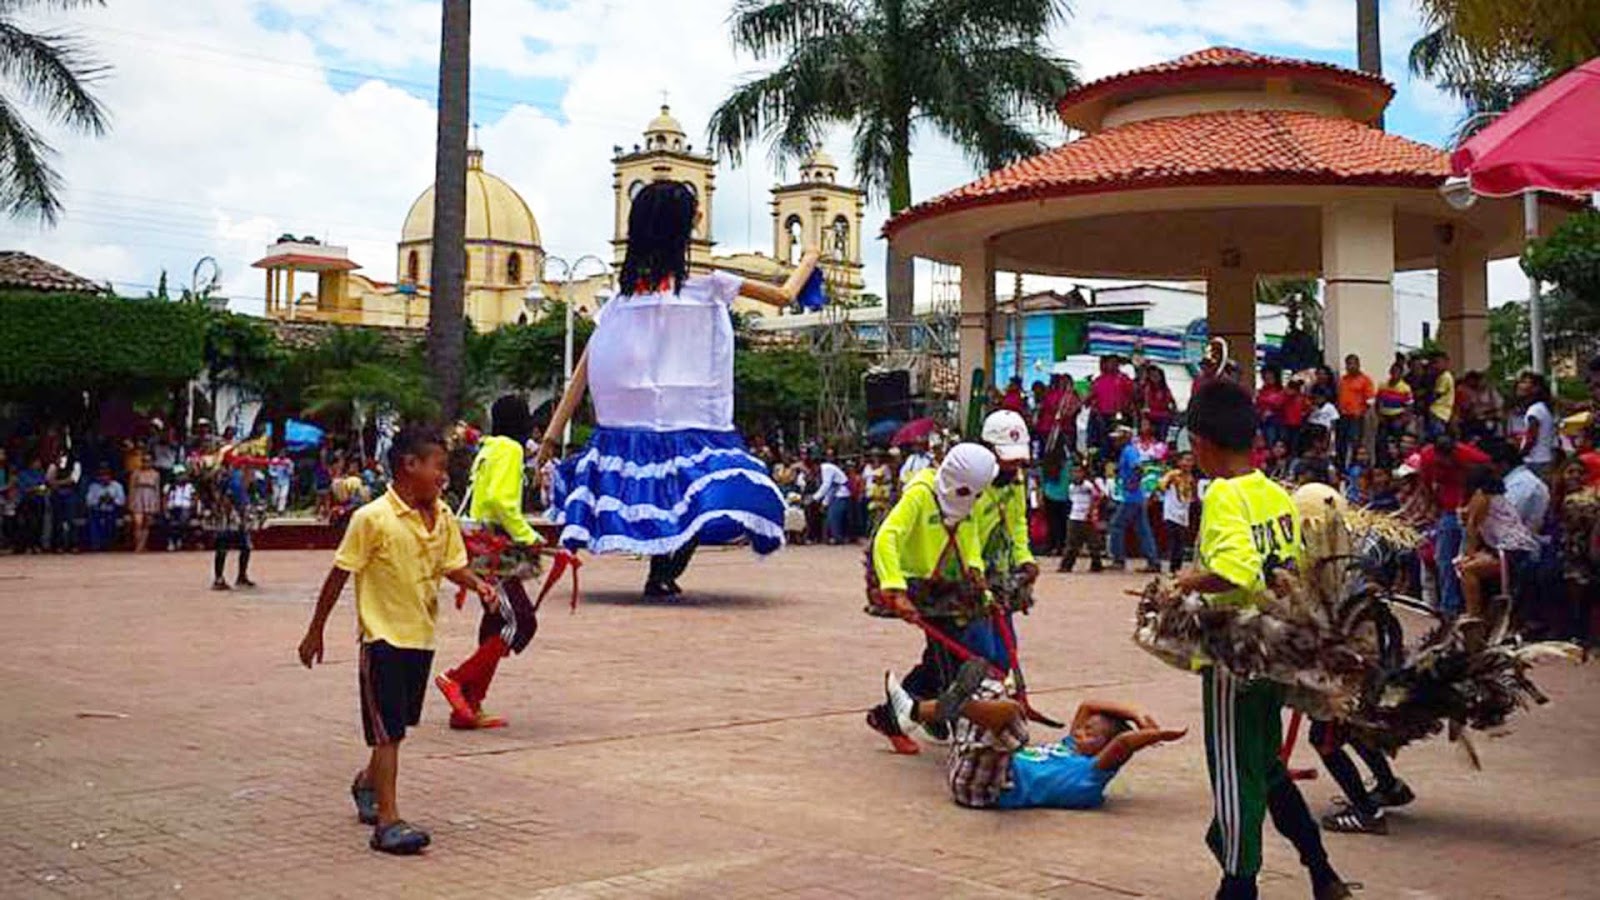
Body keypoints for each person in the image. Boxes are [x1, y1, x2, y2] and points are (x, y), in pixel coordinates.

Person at [540, 182, 818, 594]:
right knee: (690, 498)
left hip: (638, 429)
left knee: (673, 500)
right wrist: (810, 257)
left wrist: (550, 435)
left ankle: (661, 573)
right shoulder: (709, 285)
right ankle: (662, 573)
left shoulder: (620, 303)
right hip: (692, 426)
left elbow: (585, 369)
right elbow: (784, 295)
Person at [1172, 379, 1351, 900]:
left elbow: (1235, 570)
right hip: (1275, 651)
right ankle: (1321, 871)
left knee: (1234, 775)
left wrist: (1187, 581)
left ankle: (1239, 882)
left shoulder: (1223, 494)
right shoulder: (1274, 492)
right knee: (1267, 766)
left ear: (1201, 442)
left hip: (1236, 655)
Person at [297, 425, 492, 855]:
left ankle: (367, 784)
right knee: (387, 734)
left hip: (420, 637)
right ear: (410, 465)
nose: (443, 476)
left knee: (396, 727)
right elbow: (339, 574)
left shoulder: (442, 516)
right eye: (437, 466)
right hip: (382, 638)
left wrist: (478, 584)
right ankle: (388, 821)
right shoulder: (372, 518)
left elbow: (452, 565)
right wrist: (315, 630)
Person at [864, 444, 998, 754]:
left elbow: (970, 537)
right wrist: (895, 589)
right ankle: (915, 716)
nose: (973, 499)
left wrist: (977, 574)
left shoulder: (970, 499)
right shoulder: (920, 494)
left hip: (952, 586)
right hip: (918, 586)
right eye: (966, 493)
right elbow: (886, 537)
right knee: (949, 660)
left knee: (944, 659)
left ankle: (908, 713)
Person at [882, 674, 1184, 810]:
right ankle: (914, 712)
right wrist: (1136, 712)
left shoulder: (1090, 773)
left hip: (989, 791)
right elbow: (1088, 705)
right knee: (993, 690)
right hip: (969, 768)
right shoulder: (1069, 745)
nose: (1080, 733)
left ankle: (957, 704)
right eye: (1083, 729)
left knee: (1011, 713)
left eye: (1091, 735)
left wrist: (1155, 736)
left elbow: (1125, 744)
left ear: (1105, 750)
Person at [436, 395, 545, 731]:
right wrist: (529, 536)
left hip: (477, 539)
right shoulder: (510, 449)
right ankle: (456, 679)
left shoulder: (488, 447)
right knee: (521, 621)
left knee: (496, 622)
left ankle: (469, 705)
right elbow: (500, 501)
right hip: (494, 546)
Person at [1455, 464, 1542, 642]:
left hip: (1510, 548)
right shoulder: (1497, 497)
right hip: (1512, 547)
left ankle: (1473, 614)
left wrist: (1469, 555)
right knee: (1468, 565)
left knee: (1467, 569)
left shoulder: (1481, 496)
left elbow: (1472, 527)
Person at [1416, 435, 1491, 618]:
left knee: (1464, 560)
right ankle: (1449, 607)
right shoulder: (1427, 457)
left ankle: (1468, 608)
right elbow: (1426, 485)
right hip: (1448, 512)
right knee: (1444, 559)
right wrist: (1431, 507)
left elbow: (1488, 469)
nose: (1446, 462)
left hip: (1470, 510)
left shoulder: (1470, 456)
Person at [1107, 426, 1160, 573]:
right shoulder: (1130, 450)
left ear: (1125, 438)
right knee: (1143, 529)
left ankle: (1118, 559)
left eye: (1118, 438)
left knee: (1116, 525)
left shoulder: (1129, 450)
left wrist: (1133, 483)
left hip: (1131, 497)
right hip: (1137, 497)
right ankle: (1153, 561)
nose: (1115, 441)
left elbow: (1138, 468)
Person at [207, 466, 258, 590]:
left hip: (235, 517)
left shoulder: (241, 484)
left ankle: (241, 576)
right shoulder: (235, 482)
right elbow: (226, 499)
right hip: (230, 518)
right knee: (223, 545)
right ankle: (219, 578)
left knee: (245, 547)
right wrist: (235, 515)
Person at [1059, 461, 1105, 573]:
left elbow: (1098, 497)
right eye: (1074, 472)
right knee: (1071, 543)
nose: (1076, 475)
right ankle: (1066, 565)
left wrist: (1091, 511)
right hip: (1074, 517)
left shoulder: (1088, 485)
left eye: (1079, 472)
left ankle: (1096, 565)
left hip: (1087, 518)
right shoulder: (1071, 487)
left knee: (1093, 543)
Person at [1087, 355, 1135, 458]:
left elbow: (1132, 394)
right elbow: (1091, 396)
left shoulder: (1123, 378)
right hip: (1102, 415)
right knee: (1102, 440)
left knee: (1118, 440)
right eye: (1110, 362)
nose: (1113, 365)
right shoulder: (1099, 380)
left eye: (1115, 363)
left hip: (1118, 415)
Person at [1158, 451, 1197, 574]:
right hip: (1171, 512)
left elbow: (1192, 496)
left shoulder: (1191, 478)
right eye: (1185, 460)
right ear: (1179, 462)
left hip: (1183, 513)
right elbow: (1161, 486)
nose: (1187, 463)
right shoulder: (1173, 475)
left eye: (1190, 460)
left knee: (1181, 542)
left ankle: (1177, 568)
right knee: (1174, 540)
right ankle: (1172, 568)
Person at [1335, 354, 1374, 467]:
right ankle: (1341, 466)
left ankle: (1354, 466)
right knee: (1341, 443)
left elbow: (1370, 401)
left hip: (1356, 417)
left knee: (1355, 443)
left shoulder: (1365, 380)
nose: (1350, 366)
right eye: (1348, 364)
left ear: (1358, 365)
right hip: (1343, 416)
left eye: (1353, 364)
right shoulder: (1343, 379)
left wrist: (1361, 412)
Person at [1516, 371, 1557, 477]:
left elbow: (1531, 438)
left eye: (1525, 382)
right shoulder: (1542, 407)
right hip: (1544, 459)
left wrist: (1519, 455)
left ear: (1536, 388)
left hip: (1535, 461)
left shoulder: (1535, 410)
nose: (1520, 385)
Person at [1374, 358, 1413, 469]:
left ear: (1401, 374)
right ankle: (1382, 465)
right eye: (1393, 371)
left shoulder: (1405, 388)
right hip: (1384, 417)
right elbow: (1377, 402)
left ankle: (1397, 465)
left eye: (1397, 372)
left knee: (1397, 443)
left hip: (1398, 417)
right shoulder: (1383, 385)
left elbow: (1409, 406)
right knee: (1381, 442)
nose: (1394, 374)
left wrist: (1402, 420)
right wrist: (1379, 415)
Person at [45, 449, 81, 553]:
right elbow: (49, 479)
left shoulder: (75, 465)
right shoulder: (53, 466)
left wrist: (58, 483)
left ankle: (73, 544)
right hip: (56, 495)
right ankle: (58, 545)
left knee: (71, 520)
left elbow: (73, 480)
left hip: (70, 494)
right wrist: (56, 480)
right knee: (57, 520)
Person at [1039, 445, 1072, 556]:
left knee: (1052, 523)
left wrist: (1041, 493)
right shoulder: (1068, 463)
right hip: (1065, 495)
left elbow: (1043, 480)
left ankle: (1053, 546)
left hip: (1049, 494)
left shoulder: (1048, 463)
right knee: (1063, 524)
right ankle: (1061, 546)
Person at [84, 464, 125, 551]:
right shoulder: (93, 487)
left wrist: (112, 500)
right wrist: (99, 500)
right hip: (97, 511)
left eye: (106, 475)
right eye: (102, 475)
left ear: (110, 476)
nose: (104, 478)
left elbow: (121, 501)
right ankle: (96, 545)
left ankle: (110, 545)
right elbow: (89, 502)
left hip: (112, 511)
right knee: (94, 520)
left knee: (110, 520)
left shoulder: (117, 486)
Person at [127, 454, 162, 552]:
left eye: (148, 461)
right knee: (138, 523)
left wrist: (157, 503)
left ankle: (142, 545)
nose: (146, 463)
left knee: (147, 523)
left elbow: (157, 489)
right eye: (144, 460)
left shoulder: (155, 474)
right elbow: (131, 488)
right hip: (138, 497)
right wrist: (130, 501)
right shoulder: (135, 473)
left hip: (150, 498)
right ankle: (138, 545)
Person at [813, 456, 850, 545]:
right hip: (834, 493)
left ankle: (838, 538)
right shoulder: (824, 470)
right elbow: (830, 489)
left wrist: (814, 498)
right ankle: (831, 537)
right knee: (829, 516)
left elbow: (826, 485)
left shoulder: (826, 468)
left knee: (834, 516)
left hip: (841, 493)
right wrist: (824, 503)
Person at [1139, 365, 1178, 441]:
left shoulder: (1165, 390)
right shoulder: (1147, 388)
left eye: (1156, 376)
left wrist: (1172, 412)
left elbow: (1171, 403)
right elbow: (1145, 403)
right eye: (1152, 376)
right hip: (1151, 415)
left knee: (1162, 435)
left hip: (1163, 416)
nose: (1154, 378)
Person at [1254, 367, 1288, 448]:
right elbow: (1258, 404)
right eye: (1265, 375)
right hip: (1262, 422)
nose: (1267, 377)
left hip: (1276, 422)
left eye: (1270, 375)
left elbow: (1279, 403)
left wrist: (1270, 410)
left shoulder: (1281, 390)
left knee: (1272, 444)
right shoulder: (1262, 390)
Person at [163, 467, 196, 550]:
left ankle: (180, 539)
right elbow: (165, 499)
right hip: (172, 507)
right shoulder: (169, 486)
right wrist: (165, 510)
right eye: (179, 475)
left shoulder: (190, 486)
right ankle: (171, 541)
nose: (182, 477)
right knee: (170, 523)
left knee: (183, 520)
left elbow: (194, 498)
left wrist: (193, 506)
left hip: (185, 507)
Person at [1427, 352, 1456, 440]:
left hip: (1439, 411)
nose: (1435, 365)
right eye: (1434, 363)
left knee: (1438, 437)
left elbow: (1437, 394)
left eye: (1438, 362)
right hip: (1440, 411)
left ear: (1446, 363)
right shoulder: (1441, 376)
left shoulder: (1445, 377)